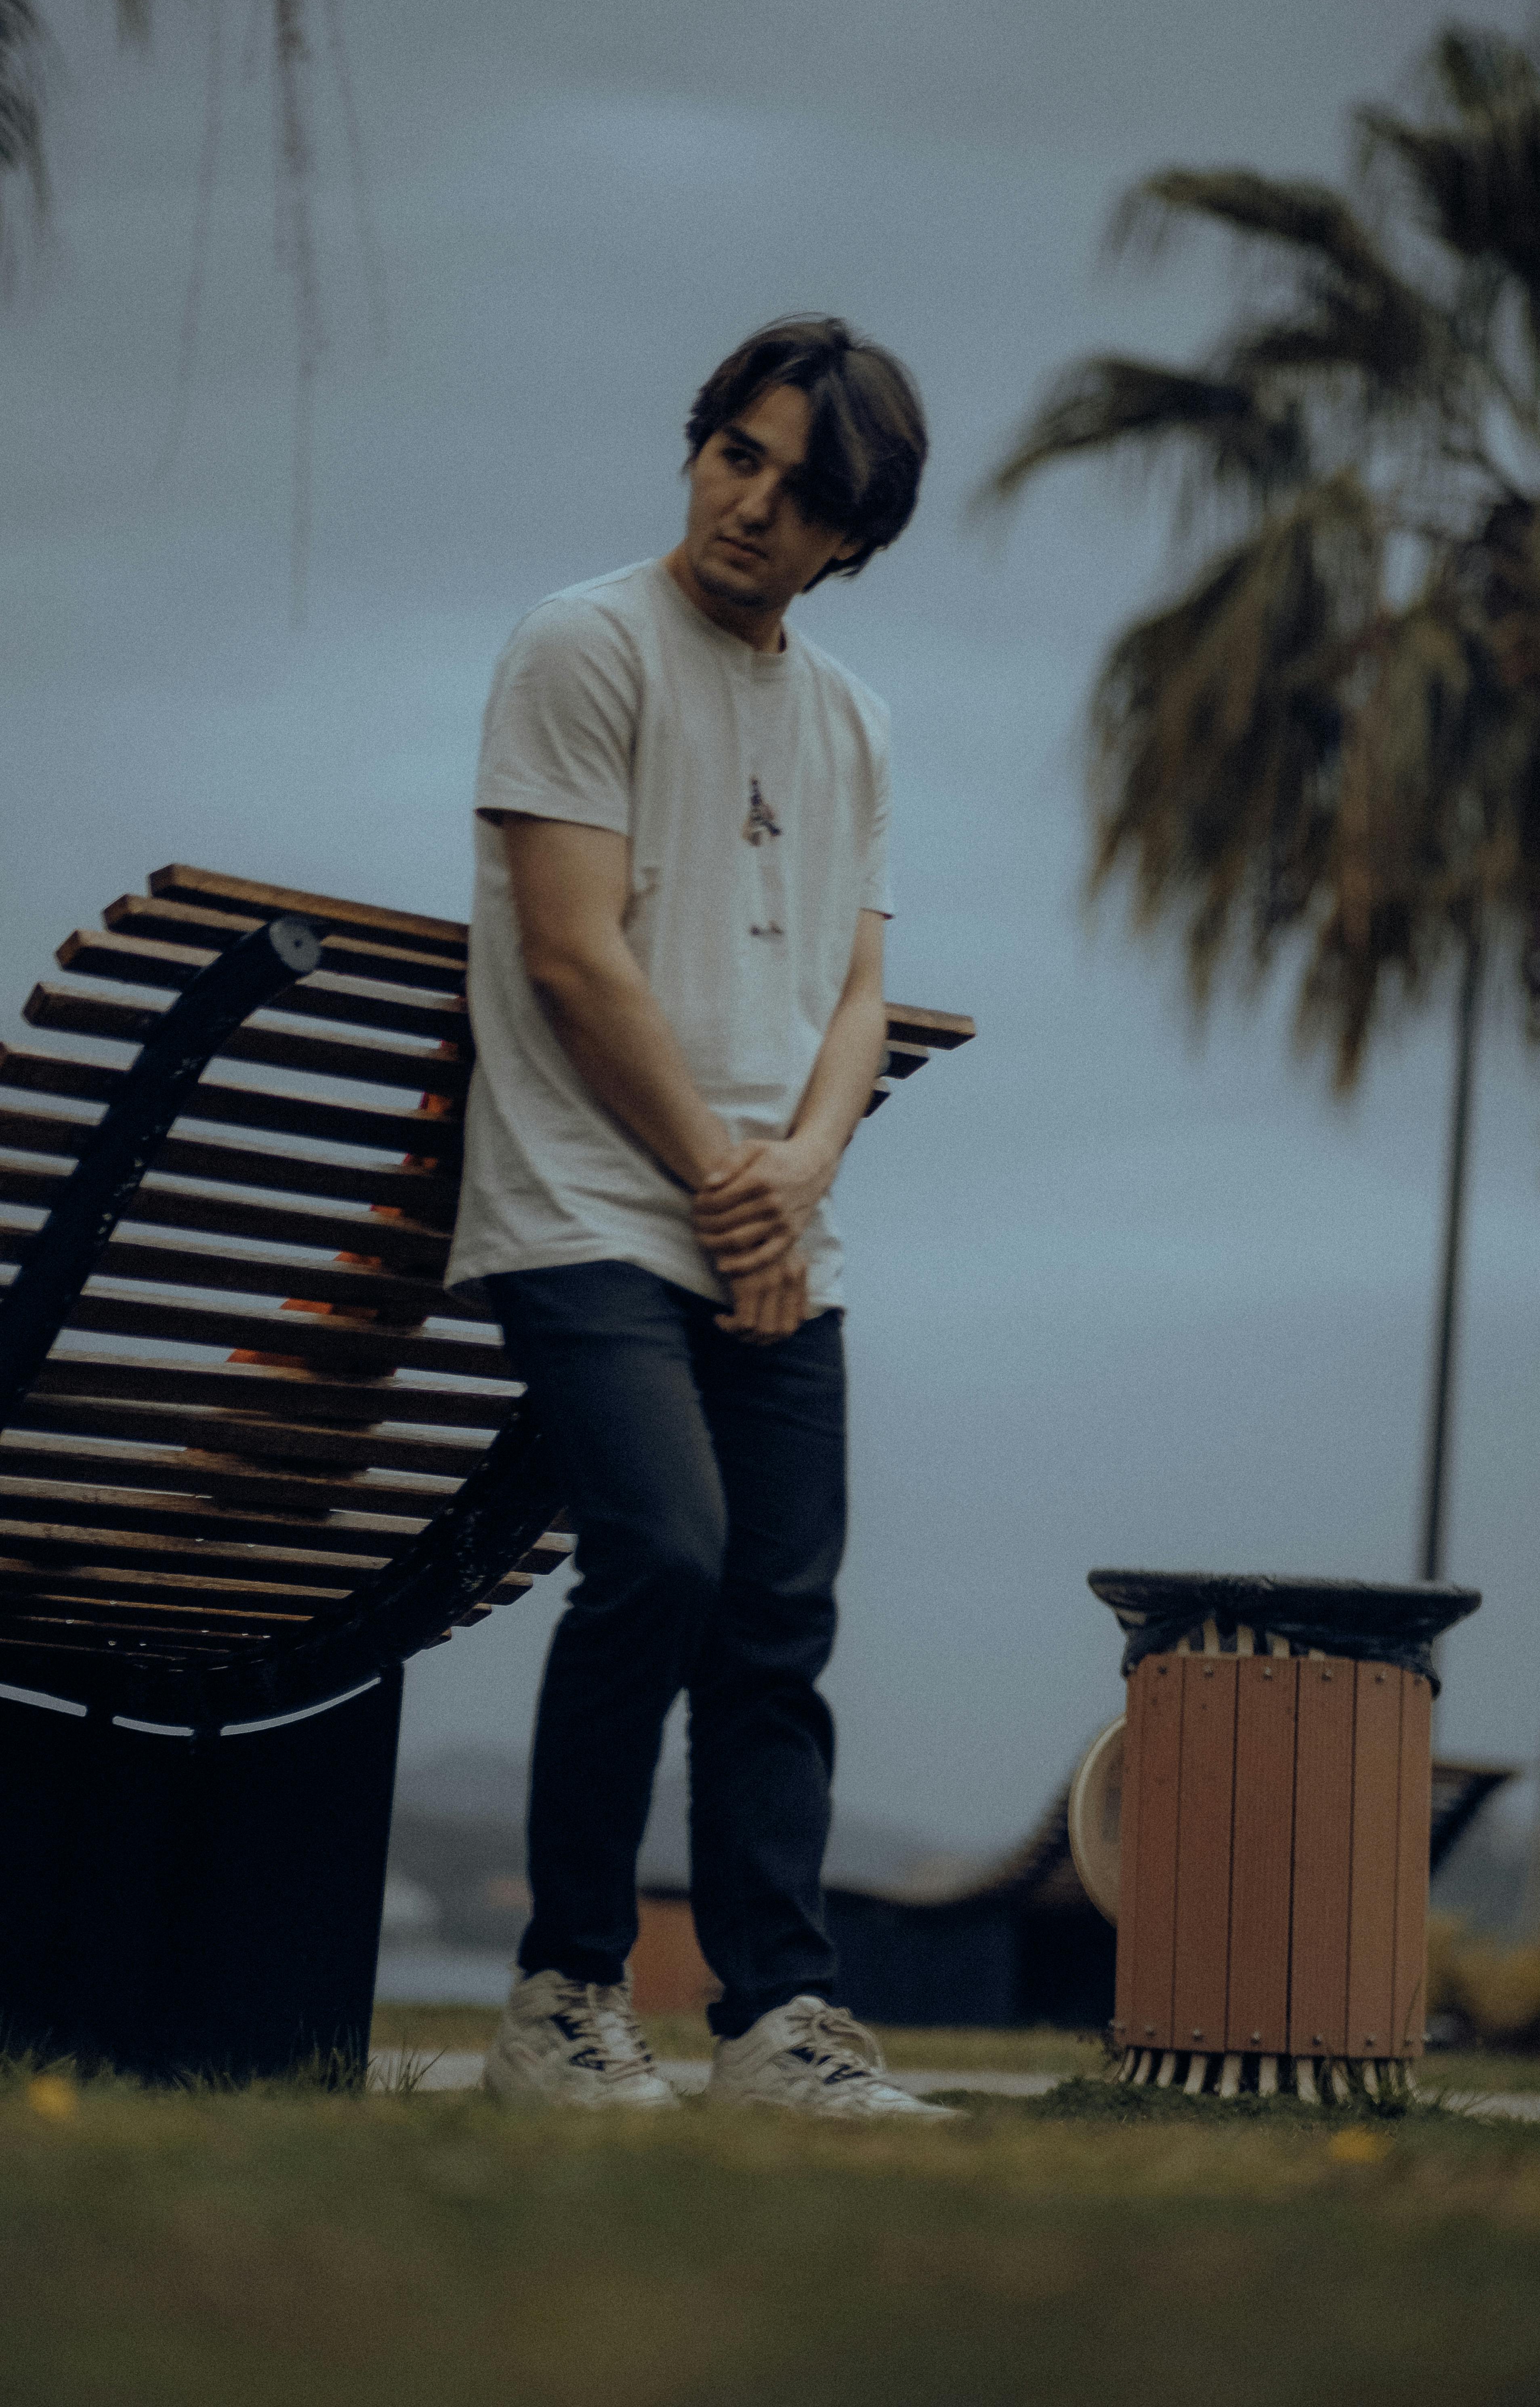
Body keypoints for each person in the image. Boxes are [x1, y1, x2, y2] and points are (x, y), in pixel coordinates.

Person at [448, 317, 948, 2120]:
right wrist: (735, 1197)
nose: (750, 505)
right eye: (735, 455)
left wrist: (803, 1169)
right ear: (698, 447)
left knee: (774, 1619)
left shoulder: (852, 721)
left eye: (801, 492)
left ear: (852, 537)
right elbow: (573, 957)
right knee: (663, 1554)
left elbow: (859, 993)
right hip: (586, 1193)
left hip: (765, 1222)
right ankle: (564, 1998)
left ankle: (777, 2027)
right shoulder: (582, 645)